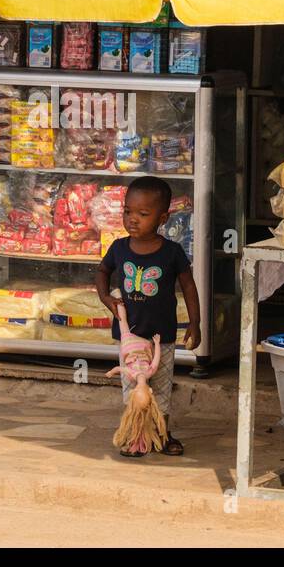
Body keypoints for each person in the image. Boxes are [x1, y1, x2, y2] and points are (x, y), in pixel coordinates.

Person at [95, 176, 202, 458]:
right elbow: (102, 272)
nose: (133, 219)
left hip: (161, 339)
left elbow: (189, 286)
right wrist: (106, 298)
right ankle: (134, 436)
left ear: (162, 217)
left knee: (162, 389)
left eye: (143, 214)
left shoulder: (172, 252)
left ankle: (162, 434)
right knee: (132, 388)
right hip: (129, 339)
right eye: (128, 212)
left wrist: (195, 323)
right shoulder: (119, 248)